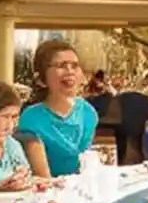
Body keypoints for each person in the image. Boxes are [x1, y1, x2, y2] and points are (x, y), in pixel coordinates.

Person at [19, 39, 98, 177]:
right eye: (61, 65)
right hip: (48, 192)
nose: (70, 71)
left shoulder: (88, 112)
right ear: (41, 79)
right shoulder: (31, 118)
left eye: (75, 66)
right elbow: (43, 178)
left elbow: (88, 165)